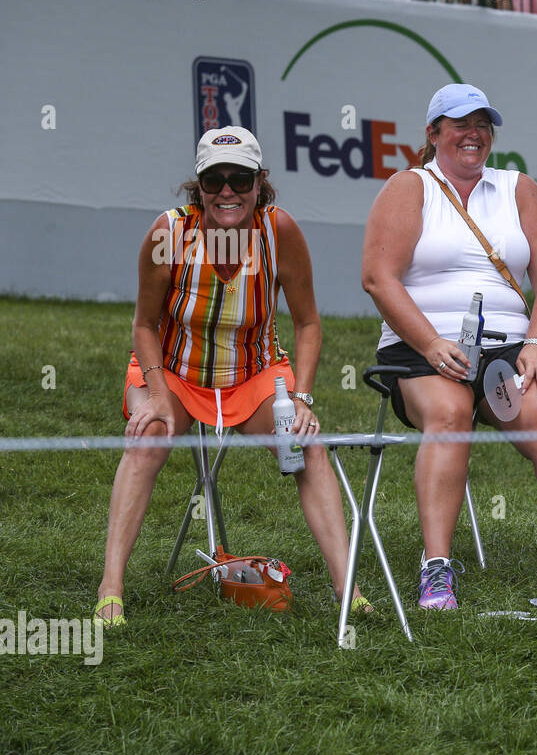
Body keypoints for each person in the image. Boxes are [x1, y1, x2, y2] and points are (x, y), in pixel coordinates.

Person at [361, 83, 537, 610]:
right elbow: (378, 279)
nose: (474, 134)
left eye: (483, 124)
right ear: (434, 133)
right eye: (460, 123)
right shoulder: (408, 187)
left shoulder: (517, 188)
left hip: (506, 349)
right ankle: (436, 568)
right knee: (448, 411)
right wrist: (432, 342)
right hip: (423, 347)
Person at [96, 126, 365, 626]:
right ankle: (111, 586)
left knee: (306, 444)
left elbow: (307, 323)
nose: (226, 191)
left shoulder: (279, 231)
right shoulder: (169, 234)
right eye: (213, 180)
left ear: (260, 183)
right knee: (149, 436)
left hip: (252, 372)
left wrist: (301, 398)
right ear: (196, 187)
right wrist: (154, 393)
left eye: (239, 178)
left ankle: (344, 584)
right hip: (173, 370)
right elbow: (144, 325)